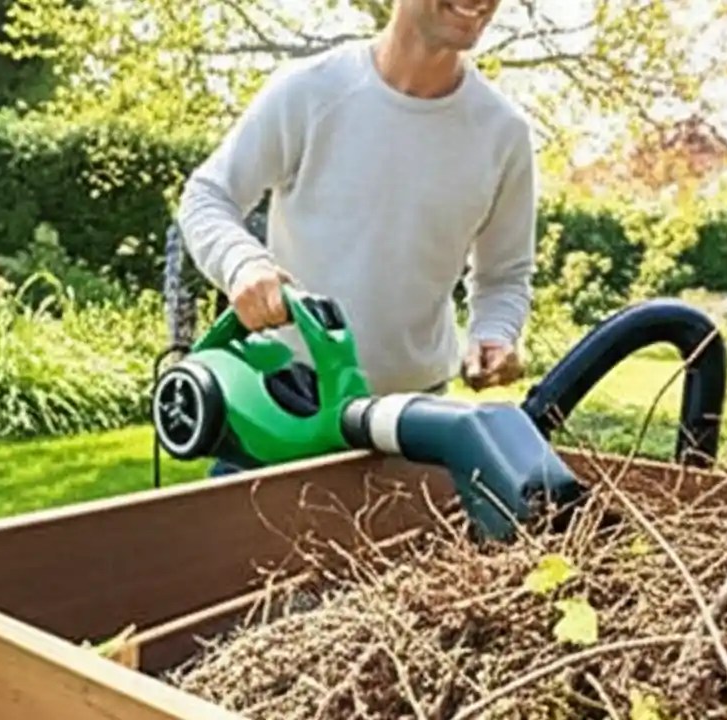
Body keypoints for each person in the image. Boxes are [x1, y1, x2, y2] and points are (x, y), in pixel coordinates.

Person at [176, 0, 537, 475]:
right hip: (284, 412)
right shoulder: (309, 90)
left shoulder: (503, 133)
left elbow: (505, 276)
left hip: (413, 430)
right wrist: (242, 264)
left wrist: (494, 333)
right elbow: (207, 196)